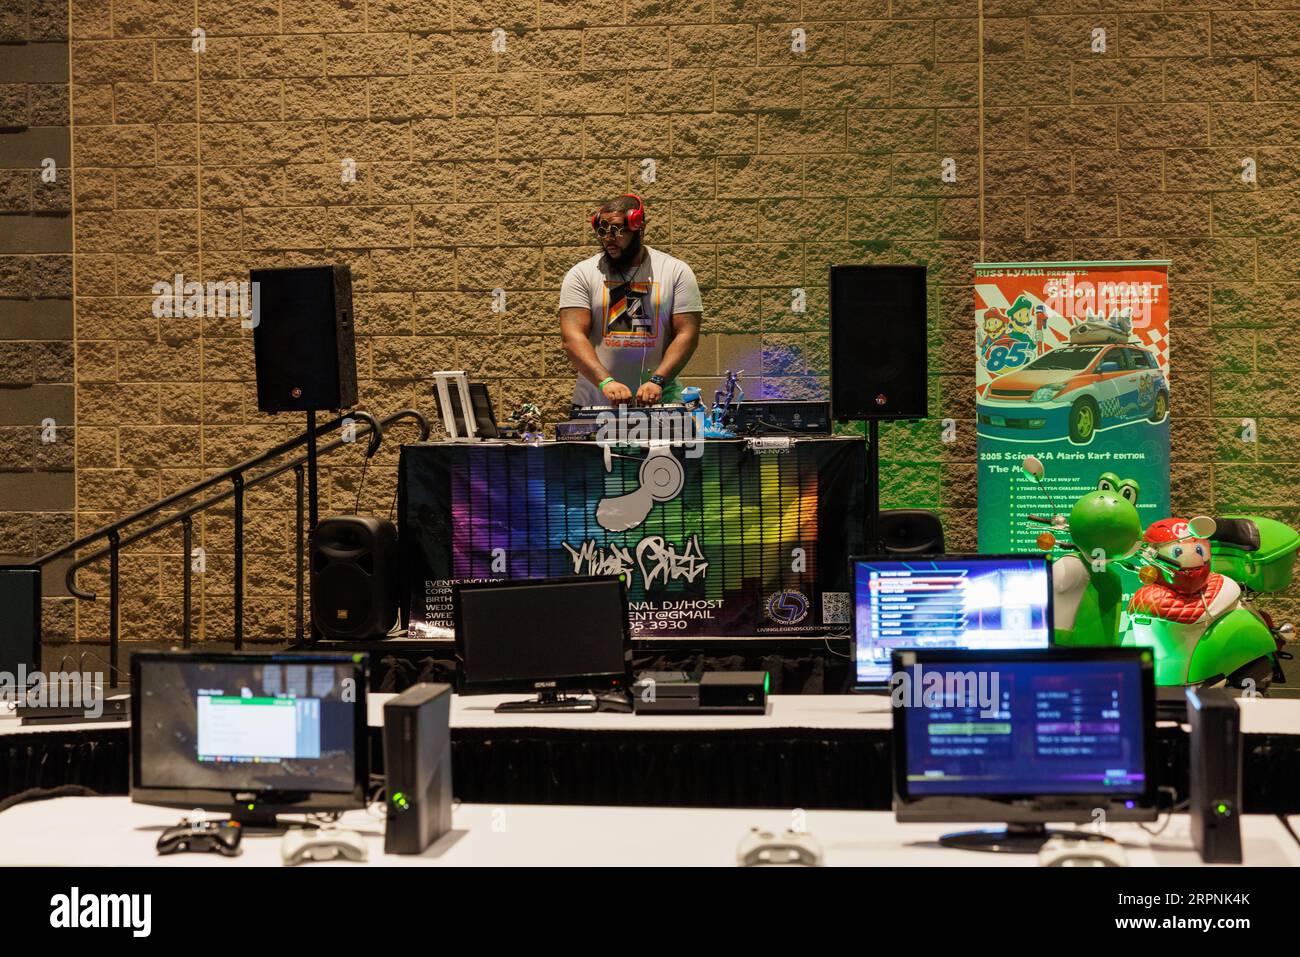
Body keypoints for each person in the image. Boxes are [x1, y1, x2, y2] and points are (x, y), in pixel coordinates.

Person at [558, 193, 702, 407]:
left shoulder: (676, 271)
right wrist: (605, 382)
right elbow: (572, 337)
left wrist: (658, 381)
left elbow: (686, 334)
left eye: (617, 230)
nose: (608, 237)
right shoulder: (582, 273)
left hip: (659, 402)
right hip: (595, 403)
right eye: (602, 230)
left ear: (639, 226)